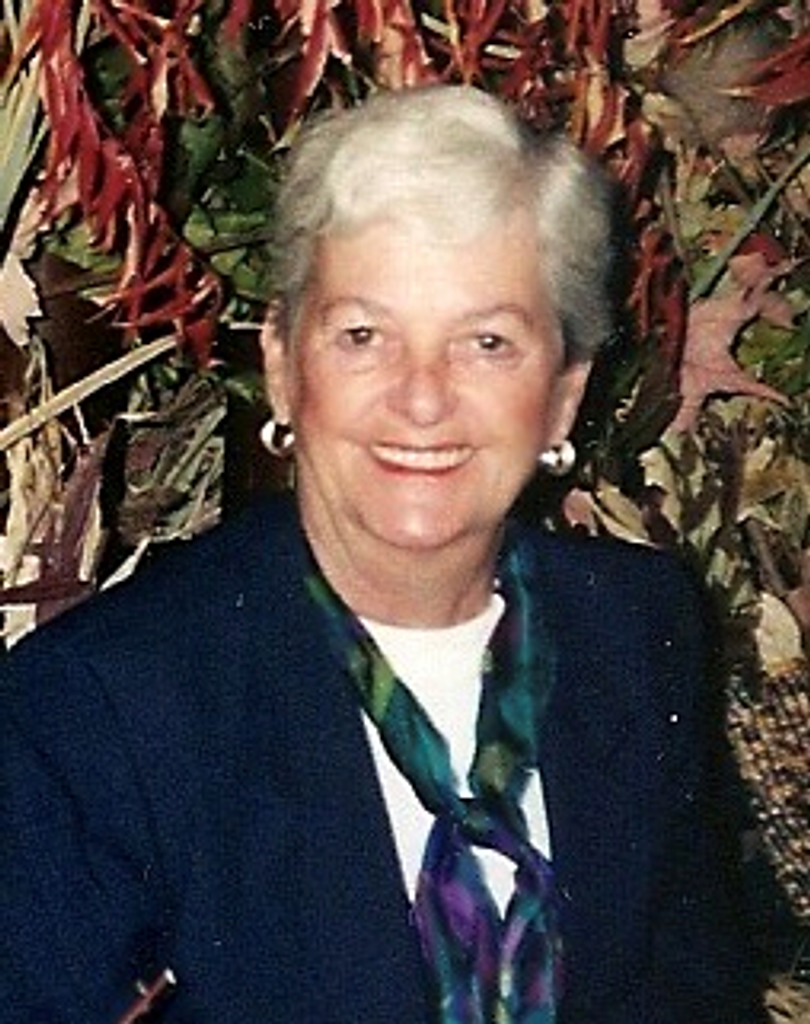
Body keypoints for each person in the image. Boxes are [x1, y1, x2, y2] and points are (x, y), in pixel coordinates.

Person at [0, 85, 764, 1024]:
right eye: (364, 336)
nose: (422, 399)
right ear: (283, 367)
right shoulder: (101, 708)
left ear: (564, 396)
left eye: (487, 342)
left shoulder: (637, 627)